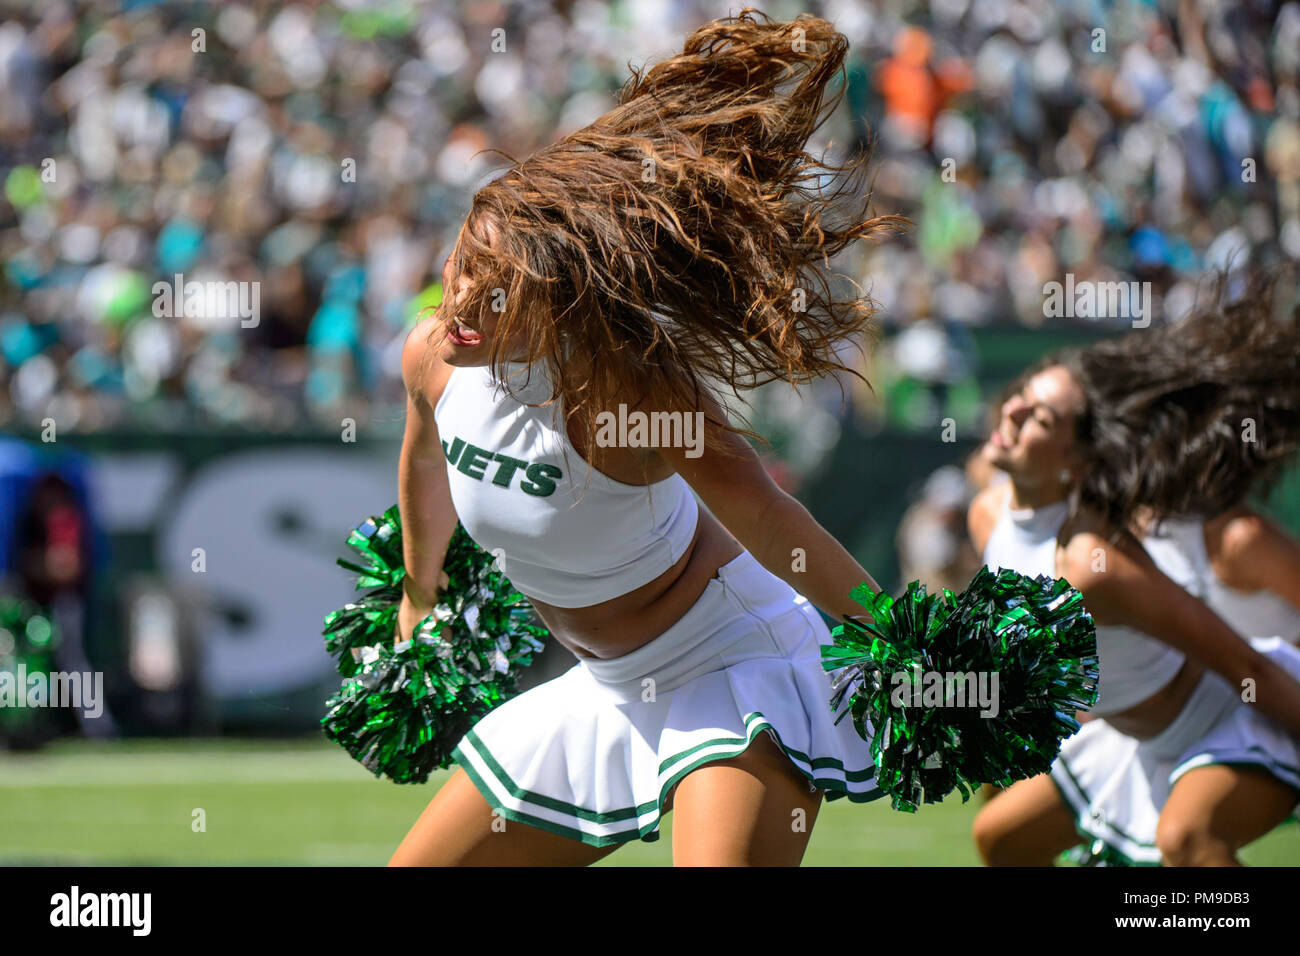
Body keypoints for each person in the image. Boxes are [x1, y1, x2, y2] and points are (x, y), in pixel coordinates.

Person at [385, 11, 906, 866]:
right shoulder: (433, 358)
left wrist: (898, 635)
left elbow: (770, 519)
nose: (467, 297)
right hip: (605, 684)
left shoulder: (629, 394)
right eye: (463, 261)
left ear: (561, 301)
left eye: (502, 284)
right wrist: (419, 592)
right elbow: (424, 464)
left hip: (732, 665)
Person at [970, 269, 1300, 866]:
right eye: (1023, 395)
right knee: (1000, 840)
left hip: (1228, 720)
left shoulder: (1095, 566)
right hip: (1129, 741)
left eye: (1041, 418)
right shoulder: (986, 517)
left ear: (1074, 460)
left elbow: (1241, 663)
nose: (1014, 411)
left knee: (1188, 839)